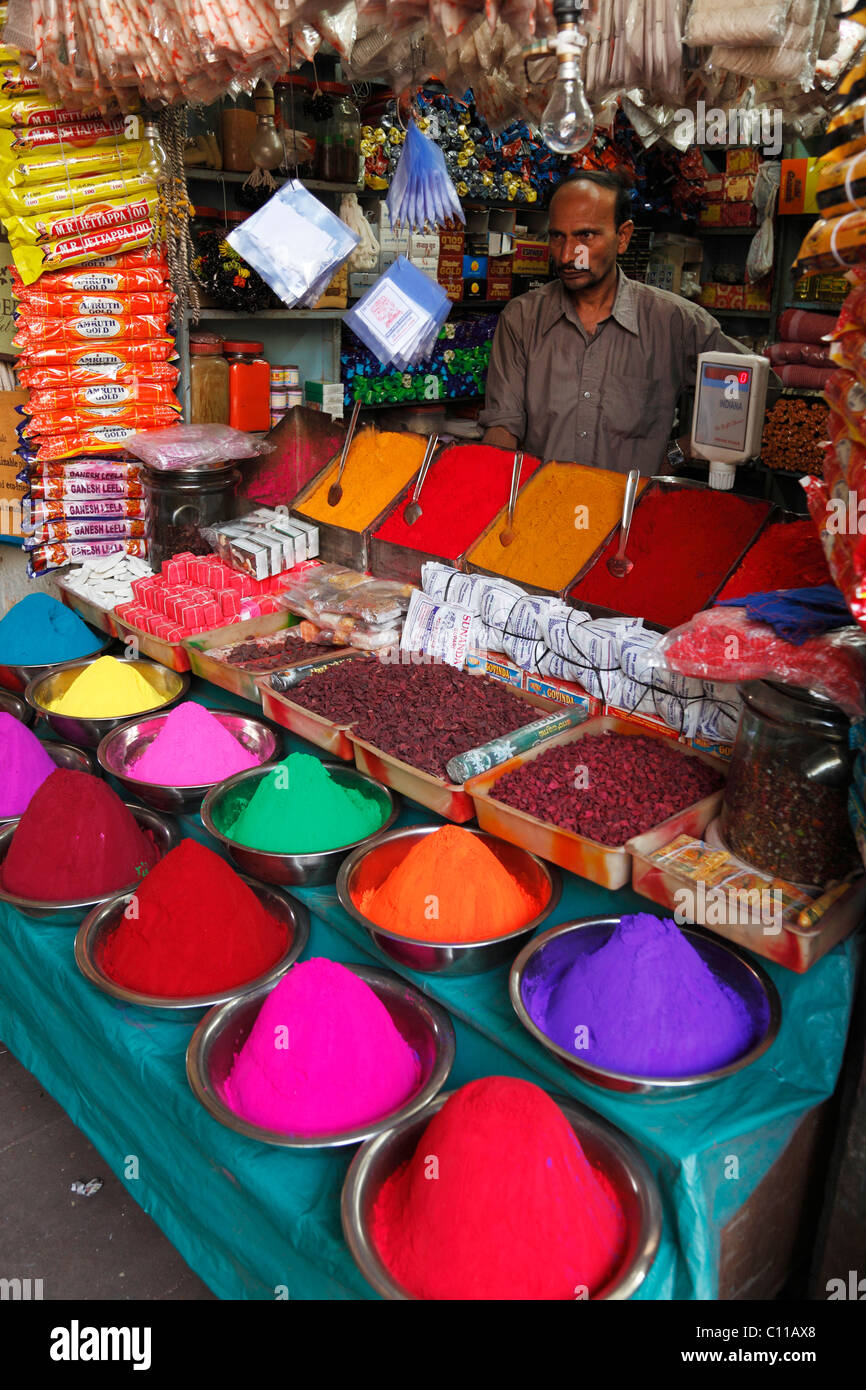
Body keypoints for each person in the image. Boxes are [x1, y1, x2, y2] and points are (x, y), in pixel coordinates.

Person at [479, 169, 754, 475]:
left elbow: (755, 385)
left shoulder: (672, 322)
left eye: (586, 235)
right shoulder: (522, 318)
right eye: (558, 237)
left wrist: (679, 453)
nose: (569, 255)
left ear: (622, 237)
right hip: (542, 509)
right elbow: (502, 425)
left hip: (632, 514)